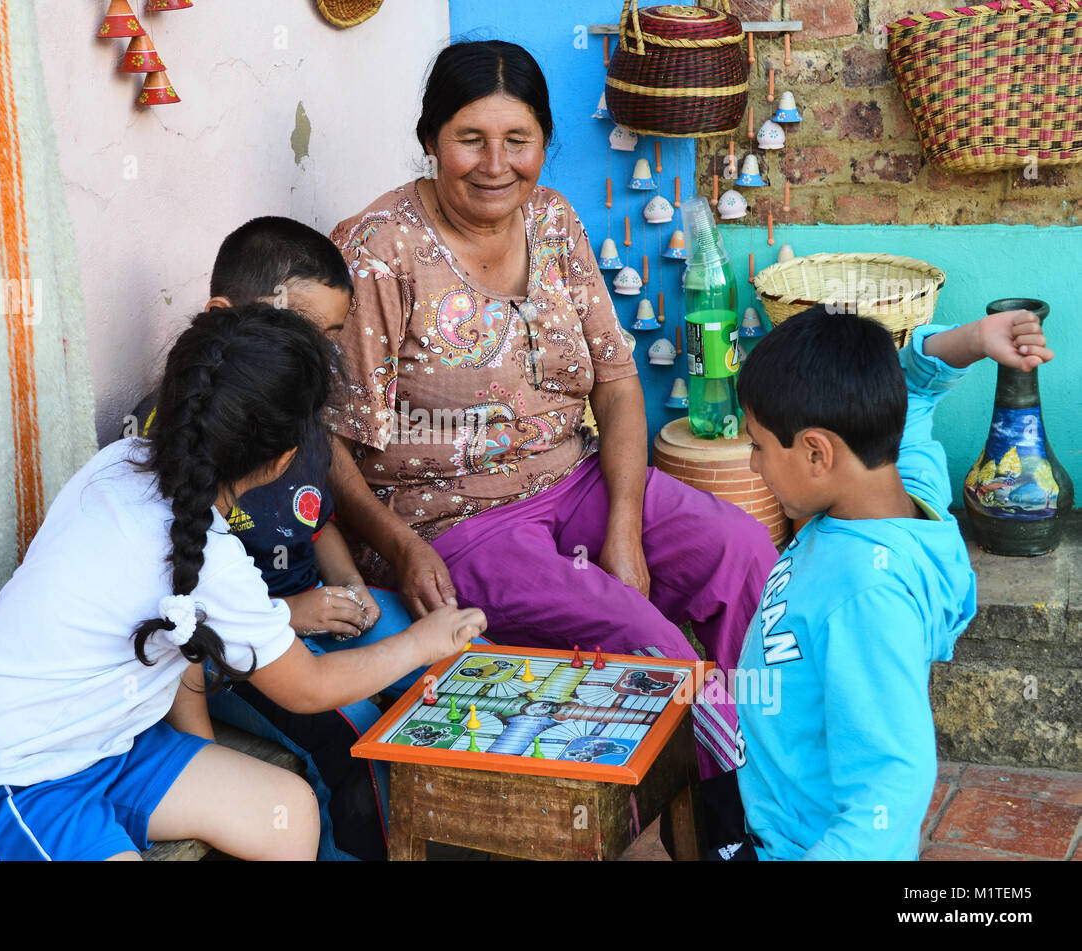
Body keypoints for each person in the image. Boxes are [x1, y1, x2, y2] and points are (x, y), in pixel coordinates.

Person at [325, 40, 777, 778]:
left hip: (578, 482)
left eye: (518, 140)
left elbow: (618, 384)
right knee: (642, 639)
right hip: (453, 523)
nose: (496, 163)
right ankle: (723, 808)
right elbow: (328, 437)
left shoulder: (555, 221)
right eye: (470, 139)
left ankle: (770, 767)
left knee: (744, 554)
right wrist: (403, 546)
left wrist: (624, 525)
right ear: (429, 141)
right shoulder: (380, 250)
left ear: (543, 143)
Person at [0, 304, 486, 861]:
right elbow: (308, 686)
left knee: (288, 813)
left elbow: (178, 631)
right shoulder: (207, 555)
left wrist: (204, 756)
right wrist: (425, 642)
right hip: (6, 779)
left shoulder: (122, 464)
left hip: (112, 745)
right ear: (285, 458)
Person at [126, 216, 487, 860]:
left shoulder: (298, 414)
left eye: (326, 337)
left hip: (310, 612)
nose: (320, 357)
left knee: (458, 672)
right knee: (358, 738)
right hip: (234, 655)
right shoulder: (188, 437)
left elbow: (314, 518)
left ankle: (473, 838)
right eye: (302, 332)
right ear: (222, 315)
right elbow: (194, 615)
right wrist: (299, 613)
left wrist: (348, 587)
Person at [732, 305, 1052, 860]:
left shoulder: (867, 601)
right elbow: (917, 391)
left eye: (759, 445)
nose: (755, 464)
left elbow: (891, 788)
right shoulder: (903, 480)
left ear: (815, 452)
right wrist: (976, 338)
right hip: (769, 795)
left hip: (796, 842)